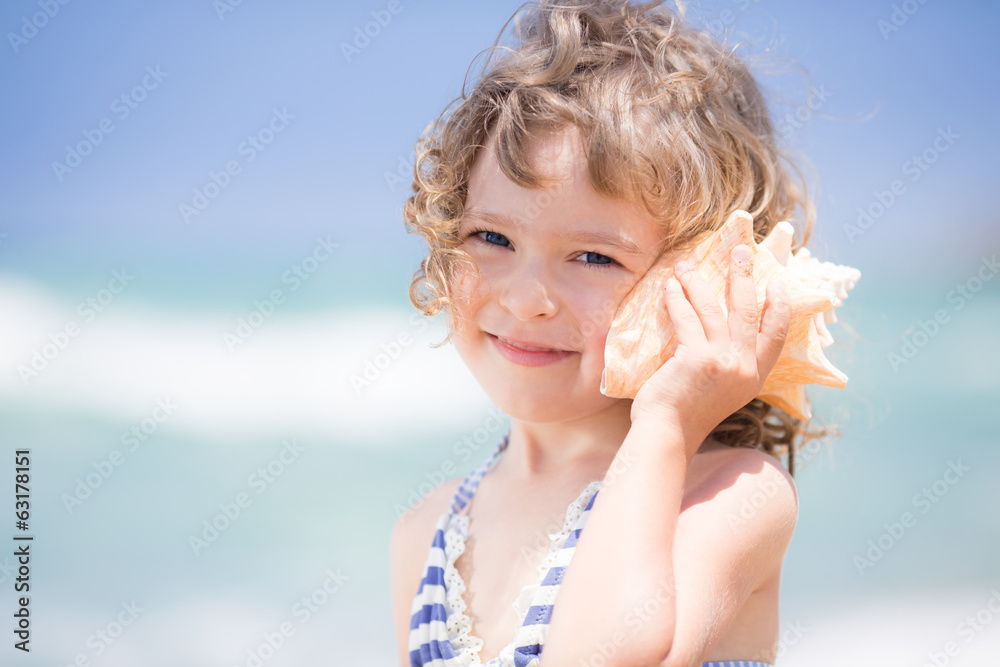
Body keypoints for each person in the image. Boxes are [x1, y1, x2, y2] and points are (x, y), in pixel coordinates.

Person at [391, 1, 824, 665]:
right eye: (491, 236)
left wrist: (668, 425)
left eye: (594, 256)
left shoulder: (731, 493)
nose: (528, 298)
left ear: (692, 275)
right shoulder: (428, 531)